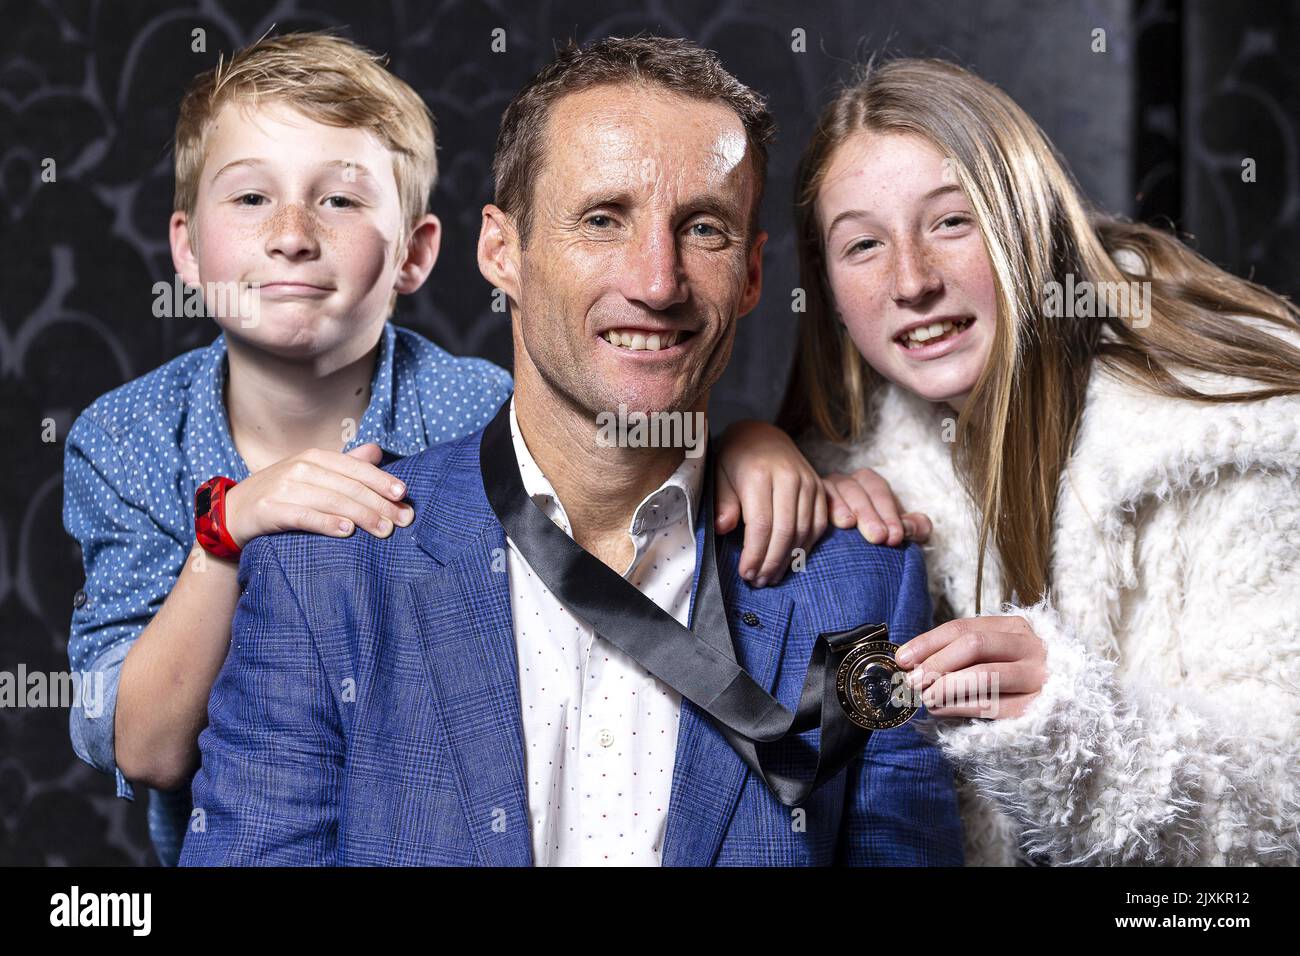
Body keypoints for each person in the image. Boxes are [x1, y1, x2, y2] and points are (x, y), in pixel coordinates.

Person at [178, 36, 964, 867]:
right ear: (500, 252)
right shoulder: (323, 571)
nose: (657, 283)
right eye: (601, 219)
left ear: (753, 274)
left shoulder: (858, 582)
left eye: (703, 228)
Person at [774, 57, 1300, 865]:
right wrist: (745, 452)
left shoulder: (1227, 440)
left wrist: (1067, 729)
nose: (911, 280)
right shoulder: (845, 467)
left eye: (952, 222)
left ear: (1028, 223)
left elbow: (1285, 797)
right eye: (863, 245)